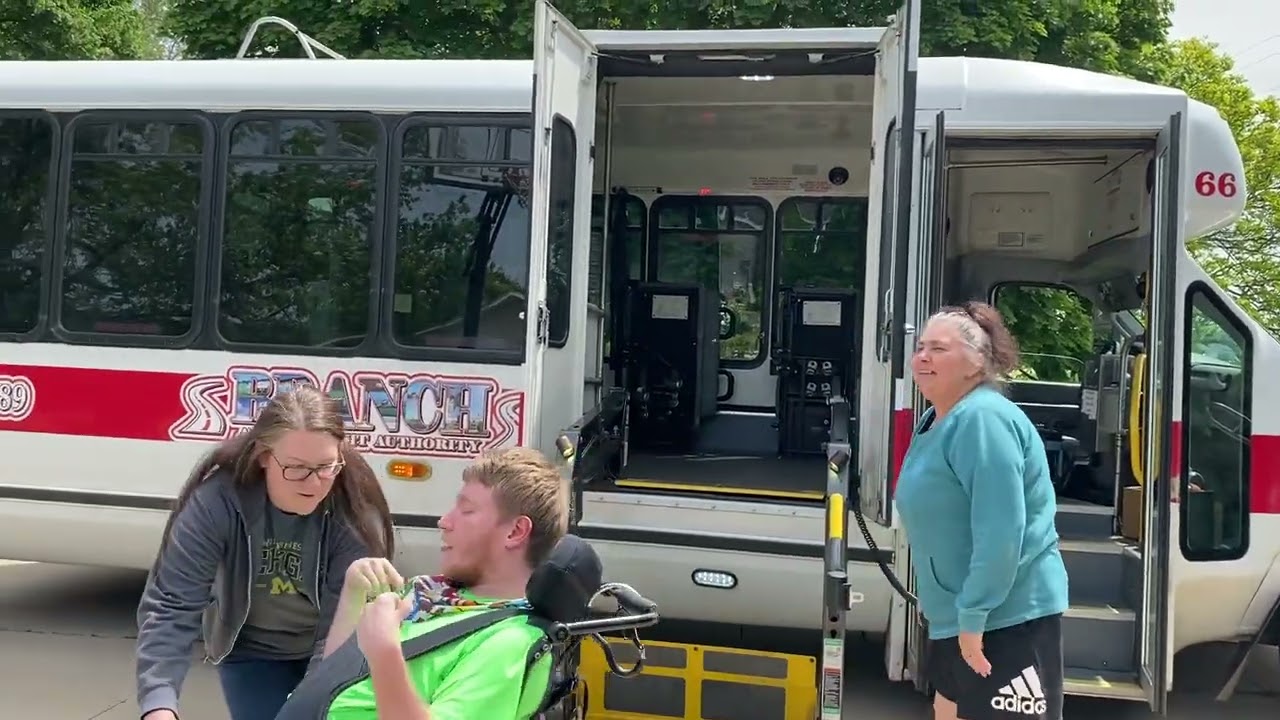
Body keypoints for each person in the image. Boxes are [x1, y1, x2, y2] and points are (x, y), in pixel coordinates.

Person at [135, 384, 397, 720]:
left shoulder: (354, 510)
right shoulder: (217, 502)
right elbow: (172, 605)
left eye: (326, 467)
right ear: (263, 456)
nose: (314, 483)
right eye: (296, 468)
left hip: (336, 645)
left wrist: (310, 704)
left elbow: (344, 628)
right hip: (253, 652)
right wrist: (158, 705)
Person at [894, 301, 1070, 720]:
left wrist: (973, 617)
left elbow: (1001, 531)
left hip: (1002, 620)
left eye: (939, 349)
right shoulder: (936, 418)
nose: (922, 357)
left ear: (976, 362)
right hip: (957, 619)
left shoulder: (983, 419)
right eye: (920, 347)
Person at [316, 445, 570, 720]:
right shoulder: (431, 596)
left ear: (515, 531)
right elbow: (328, 684)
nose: (444, 521)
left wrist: (385, 654)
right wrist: (353, 596)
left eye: (467, 510)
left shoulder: (508, 642)